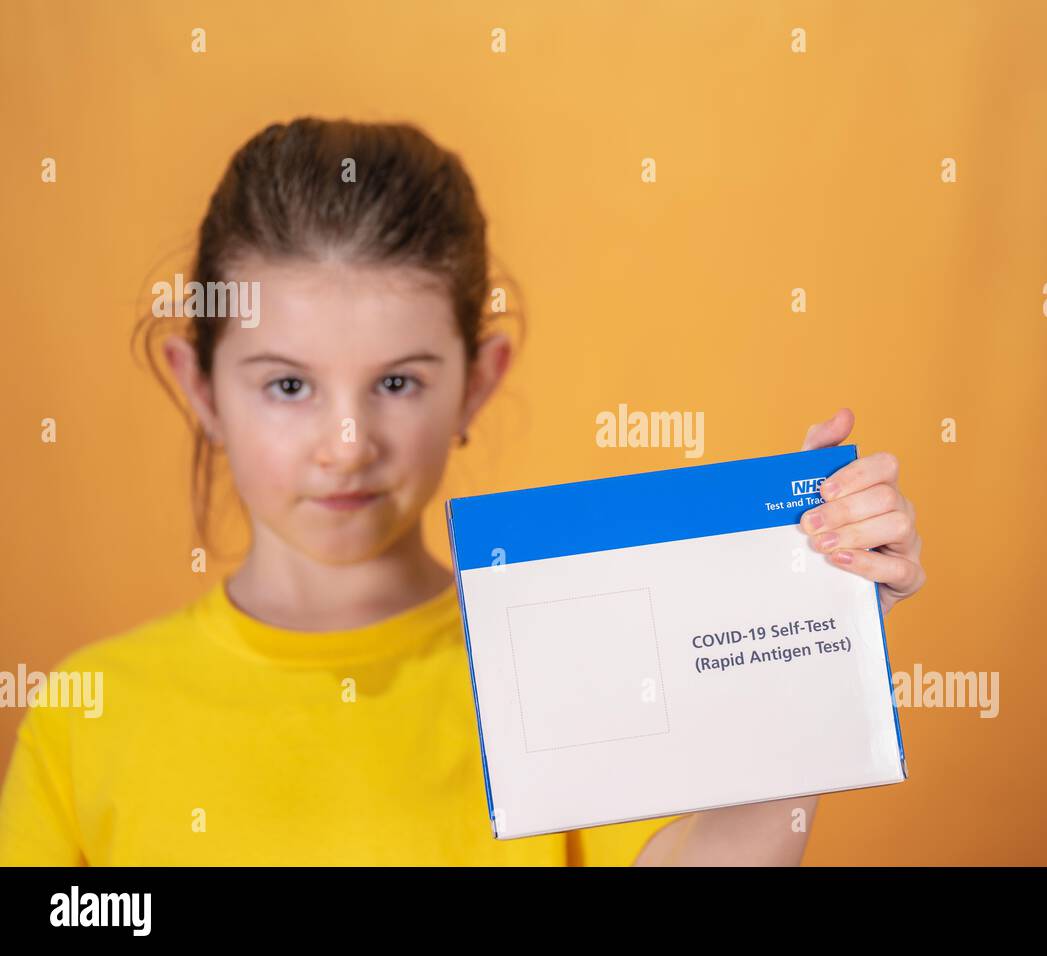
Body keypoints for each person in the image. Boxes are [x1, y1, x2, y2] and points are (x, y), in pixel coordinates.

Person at [0, 118, 925, 865]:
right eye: (288, 385)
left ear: (477, 382)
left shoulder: (555, 657)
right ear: (199, 386)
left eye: (397, 382)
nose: (347, 446)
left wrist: (809, 619)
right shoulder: (89, 710)